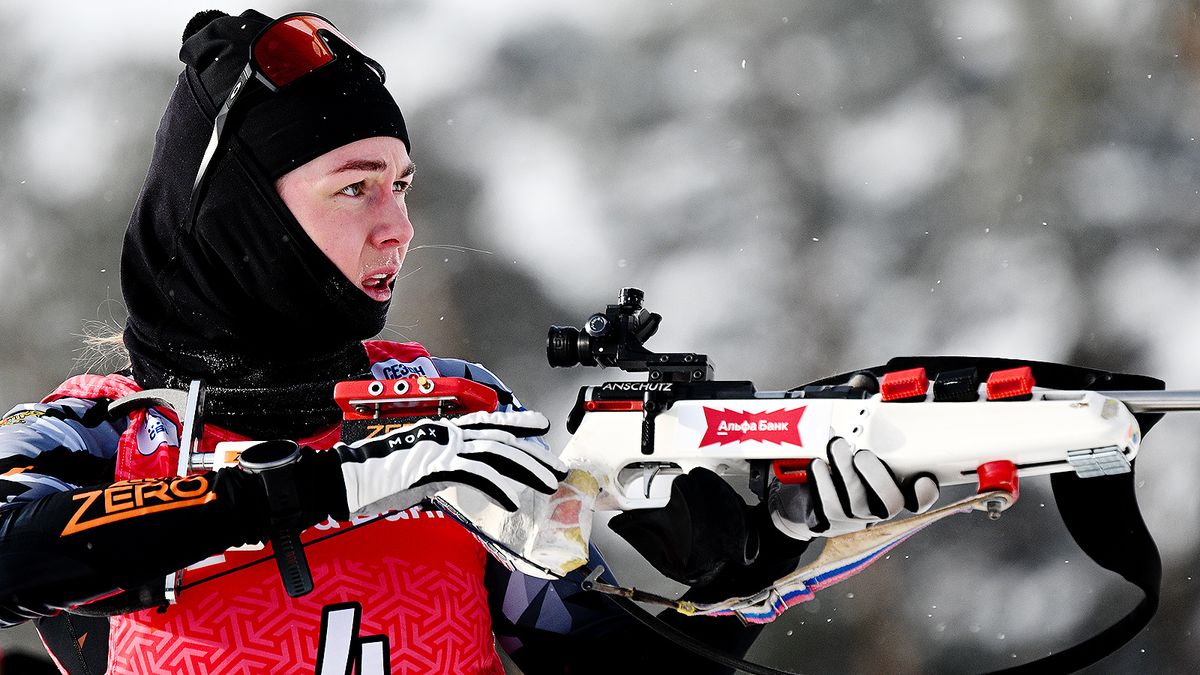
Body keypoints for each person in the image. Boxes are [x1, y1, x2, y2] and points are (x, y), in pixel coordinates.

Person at [0, 9, 938, 674]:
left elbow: (579, 654)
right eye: (355, 185)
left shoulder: (456, 404)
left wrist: (761, 559)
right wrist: (338, 482)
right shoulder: (98, 434)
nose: (397, 226)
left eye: (402, 184)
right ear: (242, 214)